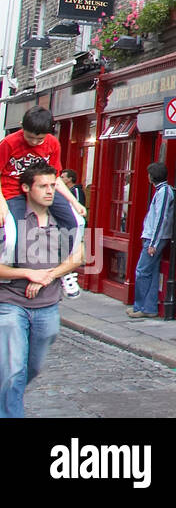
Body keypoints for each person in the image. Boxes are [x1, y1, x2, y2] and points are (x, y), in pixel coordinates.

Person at [0, 164, 84, 417]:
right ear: (26, 188)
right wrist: (26, 273)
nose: (50, 192)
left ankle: (7, 396)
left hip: (47, 304)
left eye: (52, 186)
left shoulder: (62, 220)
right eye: (43, 186)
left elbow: (77, 257)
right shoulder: (10, 220)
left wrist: (47, 276)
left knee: (33, 367)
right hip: (11, 302)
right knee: (13, 368)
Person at [0, 108, 87, 297]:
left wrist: (73, 201)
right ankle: (9, 270)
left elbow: (55, 177)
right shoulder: (8, 143)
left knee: (73, 222)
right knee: (15, 230)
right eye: (30, 137)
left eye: (39, 140)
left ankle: (63, 269)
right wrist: (1, 203)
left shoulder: (53, 143)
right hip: (13, 191)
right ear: (22, 127)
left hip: (44, 187)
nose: (34, 142)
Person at [127, 163, 175, 319]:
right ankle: (149, 307)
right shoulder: (162, 190)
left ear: (152, 176)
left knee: (142, 272)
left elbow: (161, 217)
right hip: (153, 237)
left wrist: (153, 243)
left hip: (155, 238)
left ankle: (140, 306)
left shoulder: (164, 192)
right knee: (152, 272)